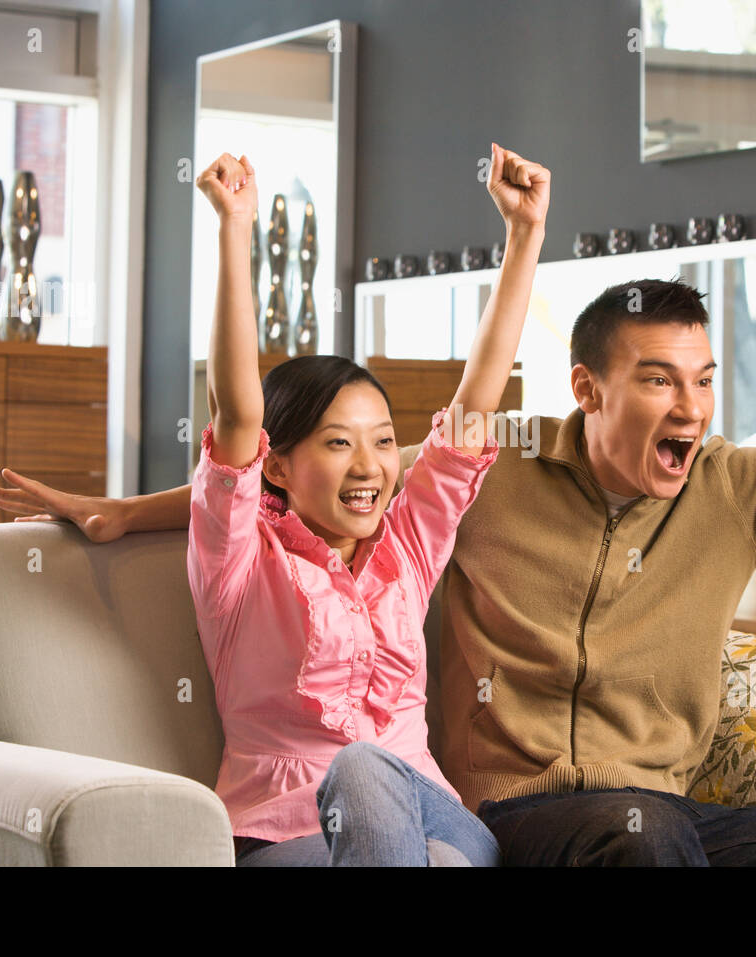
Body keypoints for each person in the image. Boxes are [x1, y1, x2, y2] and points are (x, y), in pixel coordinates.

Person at [0, 194, 756, 864]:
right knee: (612, 830)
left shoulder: (733, 491)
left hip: (661, 822)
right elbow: (278, 471)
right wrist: (131, 510)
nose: (690, 406)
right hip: (532, 824)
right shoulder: (489, 483)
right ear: (588, 391)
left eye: (701, 379)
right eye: (657, 380)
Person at [100, 141, 544, 866]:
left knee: (396, 792)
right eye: (338, 443)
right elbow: (238, 412)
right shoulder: (237, 564)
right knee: (380, 795)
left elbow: (477, 398)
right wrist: (234, 228)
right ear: (276, 463)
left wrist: (525, 236)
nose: (371, 466)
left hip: (430, 815)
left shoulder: (408, 546)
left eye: (382, 441)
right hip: (286, 835)